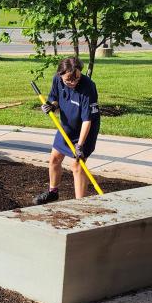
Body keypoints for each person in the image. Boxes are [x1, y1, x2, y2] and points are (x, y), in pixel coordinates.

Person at [34, 56, 100, 204]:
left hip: (85, 131)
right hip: (67, 126)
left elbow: (87, 120)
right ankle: (53, 192)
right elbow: (55, 98)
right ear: (60, 74)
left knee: (77, 165)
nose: (73, 82)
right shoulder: (57, 79)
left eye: (76, 78)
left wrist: (80, 145)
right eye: (68, 80)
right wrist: (51, 106)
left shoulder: (88, 87)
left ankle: (80, 204)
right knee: (54, 159)